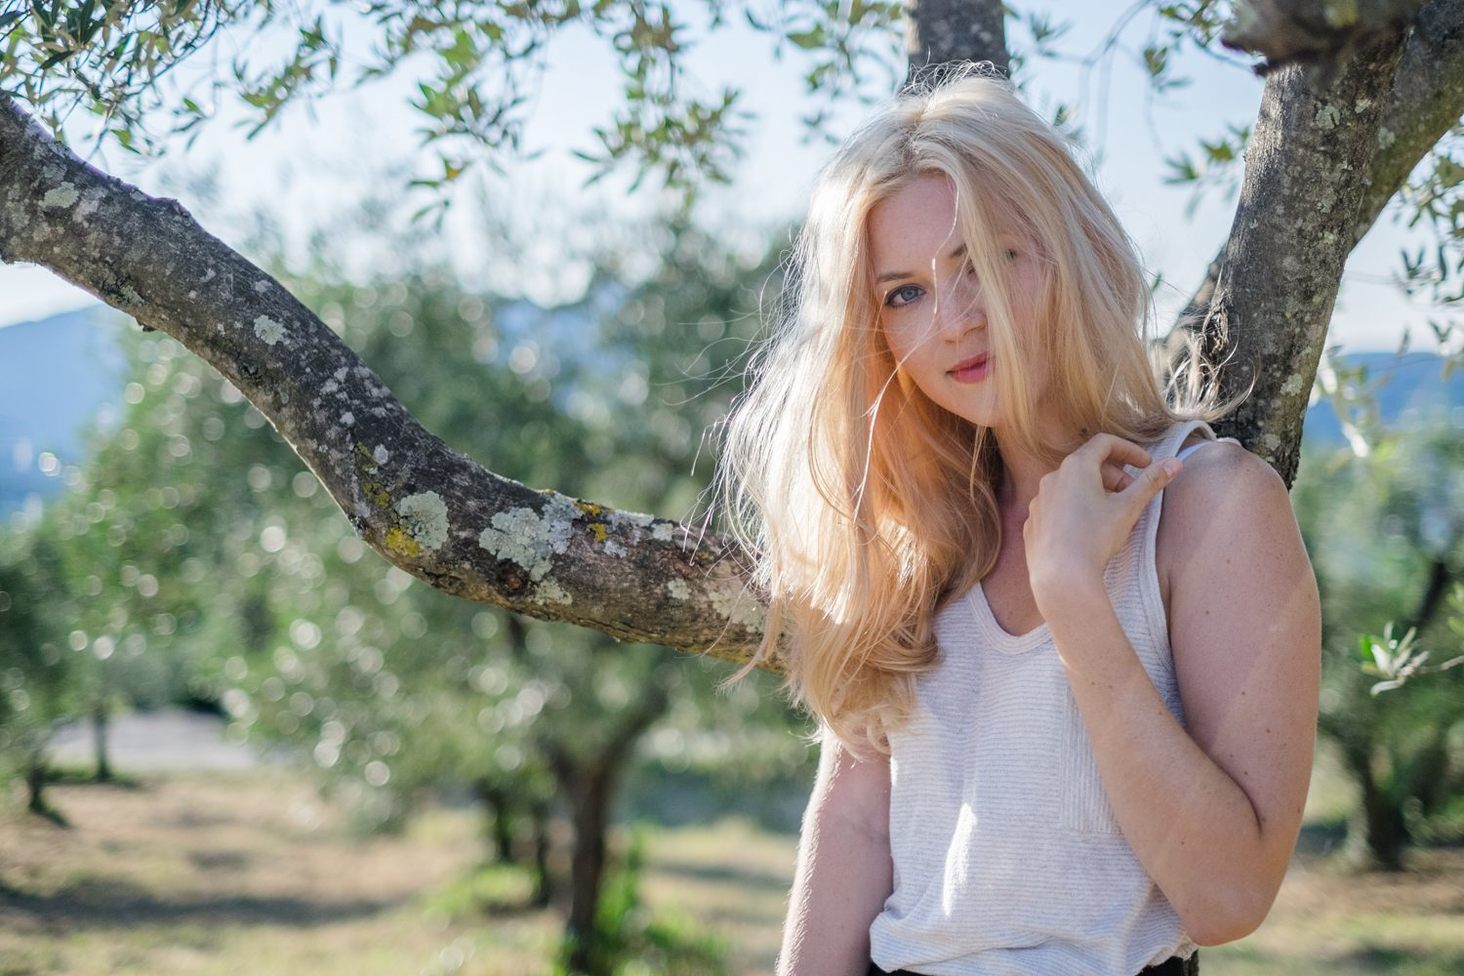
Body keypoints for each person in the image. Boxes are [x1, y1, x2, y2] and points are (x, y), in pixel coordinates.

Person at [712, 62, 1322, 976]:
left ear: (1071, 251)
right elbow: (851, 821)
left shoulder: (1210, 505)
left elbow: (1229, 897)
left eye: (988, 261)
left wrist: (1073, 593)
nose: (954, 320)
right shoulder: (913, 526)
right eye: (904, 293)